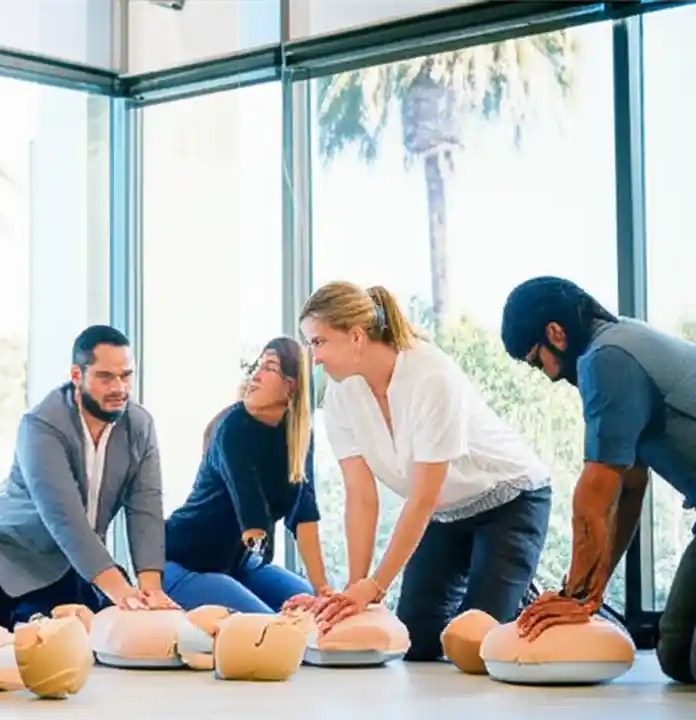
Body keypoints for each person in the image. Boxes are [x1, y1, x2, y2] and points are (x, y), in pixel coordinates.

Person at [293, 281, 552, 661]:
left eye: (318, 342)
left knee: (476, 644)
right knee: (419, 642)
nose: (313, 357)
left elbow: (423, 497)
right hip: (447, 513)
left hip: (510, 500)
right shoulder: (341, 396)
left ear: (356, 336)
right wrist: (356, 591)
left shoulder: (430, 375)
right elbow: (361, 497)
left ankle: (529, 599)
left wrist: (377, 586)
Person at [500, 276, 696, 683]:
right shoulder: (616, 345)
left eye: (537, 360)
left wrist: (571, 596)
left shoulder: (606, 359)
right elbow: (629, 488)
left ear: (555, 332)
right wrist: (592, 592)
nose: (545, 374)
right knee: (676, 657)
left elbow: (591, 500)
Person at [0, 325, 178, 629]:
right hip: (7, 551)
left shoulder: (139, 425)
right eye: (105, 377)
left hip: (69, 561)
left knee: (65, 638)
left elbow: (146, 507)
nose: (119, 388)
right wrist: (122, 593)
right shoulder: (40, 425)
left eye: (126, 375)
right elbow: (64, 517)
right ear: (76, 375)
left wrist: (151, 589)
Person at [161, 337, 331, 613]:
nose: (257, 375)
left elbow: (304, 516)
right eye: (257, 366)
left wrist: (322, 591)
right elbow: (249, 506)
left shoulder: (299, 438)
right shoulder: (232, 427)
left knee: (322, 616)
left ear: (292, 384)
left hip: (239, 567)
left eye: (269, 367)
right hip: (182, 565)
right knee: (275, 631)